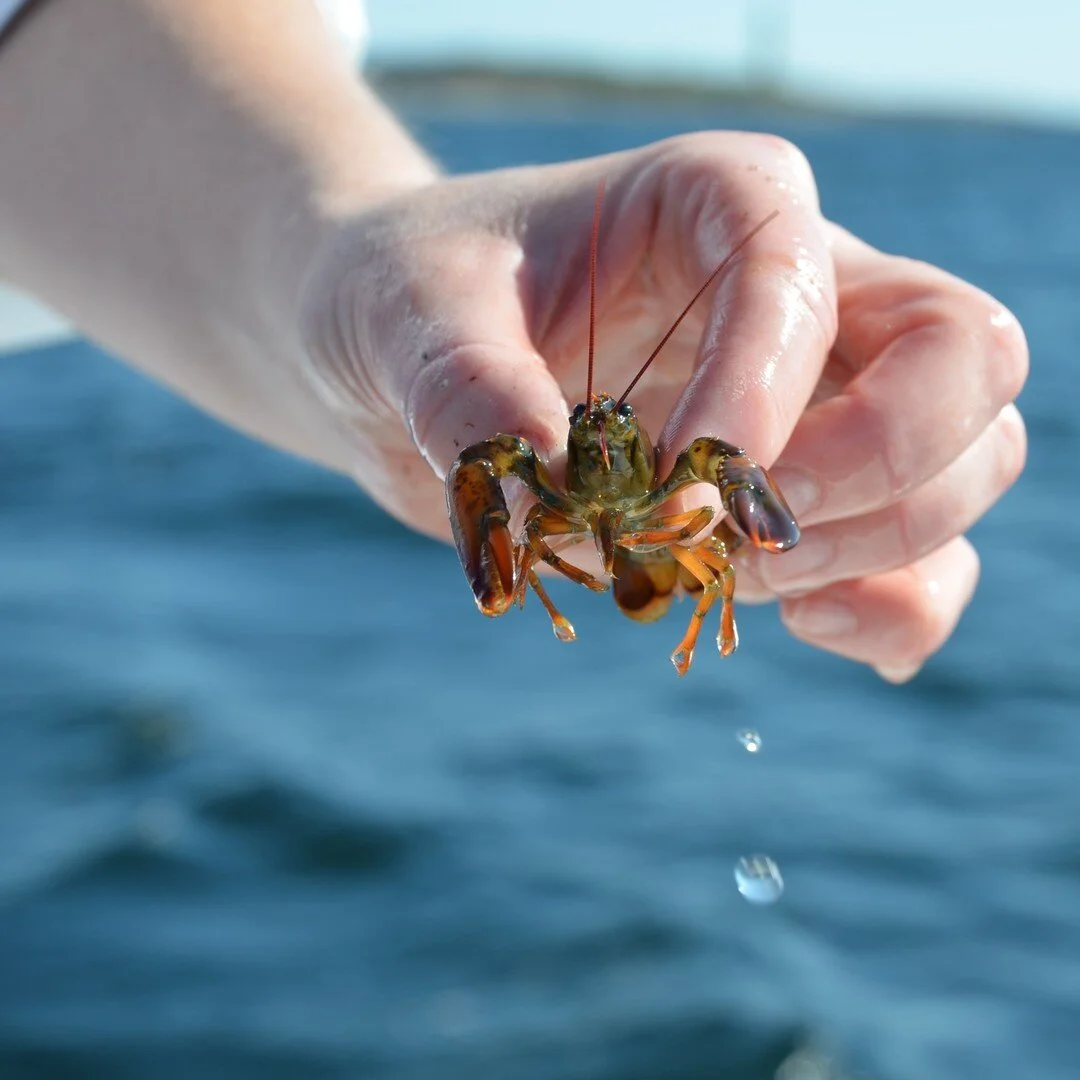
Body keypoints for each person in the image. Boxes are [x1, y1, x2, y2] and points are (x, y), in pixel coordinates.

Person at [0, 1, 1027, 682]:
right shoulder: (547, 469)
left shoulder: (660, 469)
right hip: (607, 554)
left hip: (650, 557)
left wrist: (346, 251)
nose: (595, 431)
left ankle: (707, 615)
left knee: (716, 509)